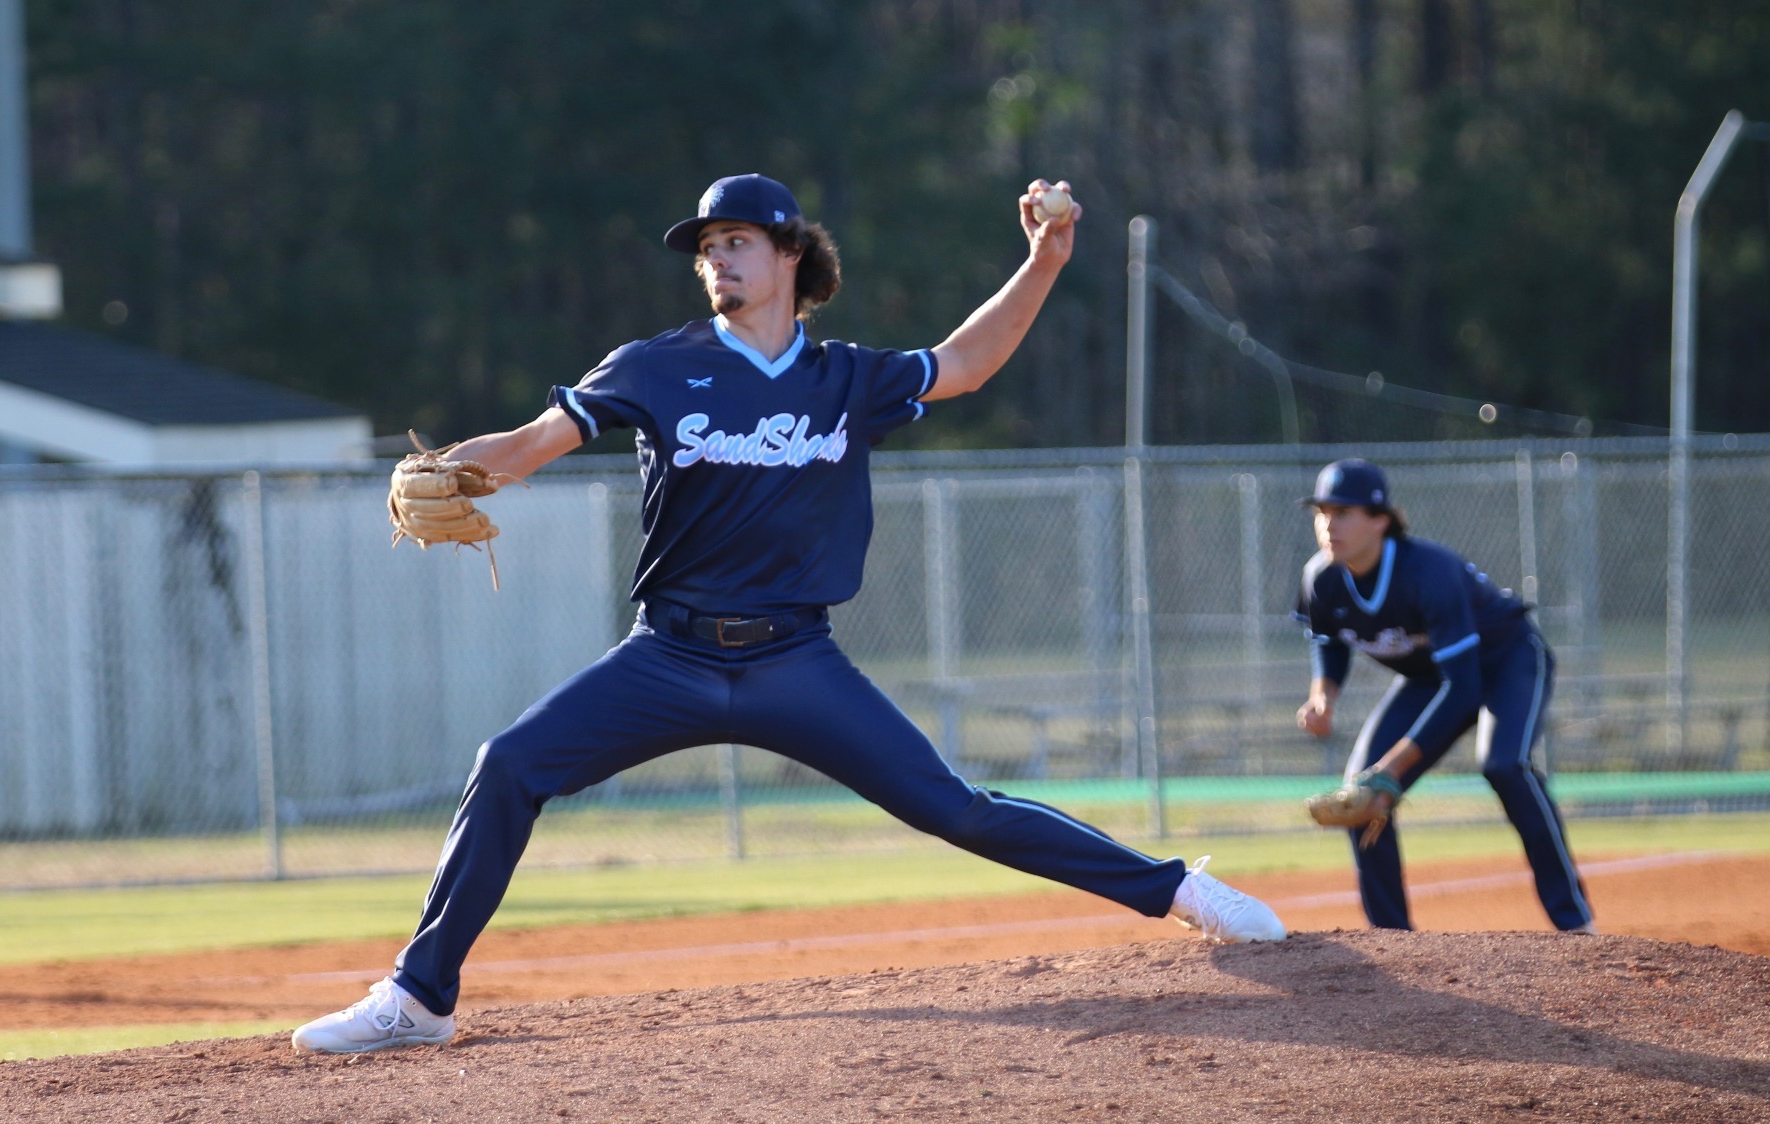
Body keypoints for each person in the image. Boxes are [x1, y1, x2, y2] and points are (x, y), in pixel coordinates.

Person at [292, 173, 1287, 1055]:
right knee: (509, 765)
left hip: (795, 661)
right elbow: (529, 442)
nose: (716, 261)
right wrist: (447, 466)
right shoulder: (654, 366)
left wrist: (1043, 261)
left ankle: (1176, 888)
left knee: (954, 807)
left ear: (789, 255)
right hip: (668, 656)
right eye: (706, 249)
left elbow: (967, 362)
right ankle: (419, 997)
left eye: (735, 242)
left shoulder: (846, 379)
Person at [1293, 457, 1594, 933]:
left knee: (1504, 765)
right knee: (1360, 797)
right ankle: (1393, 939)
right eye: (1322, 512)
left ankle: (1575, 924)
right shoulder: (1321, 579)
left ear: (1380, 519)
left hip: (1505, 660)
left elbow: (1464, 688)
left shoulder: (1427, 572)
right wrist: (1323, 695)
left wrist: (1391, 769)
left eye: (1344, 512)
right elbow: (1328, 640)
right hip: (1431, 677)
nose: (1329, 524)